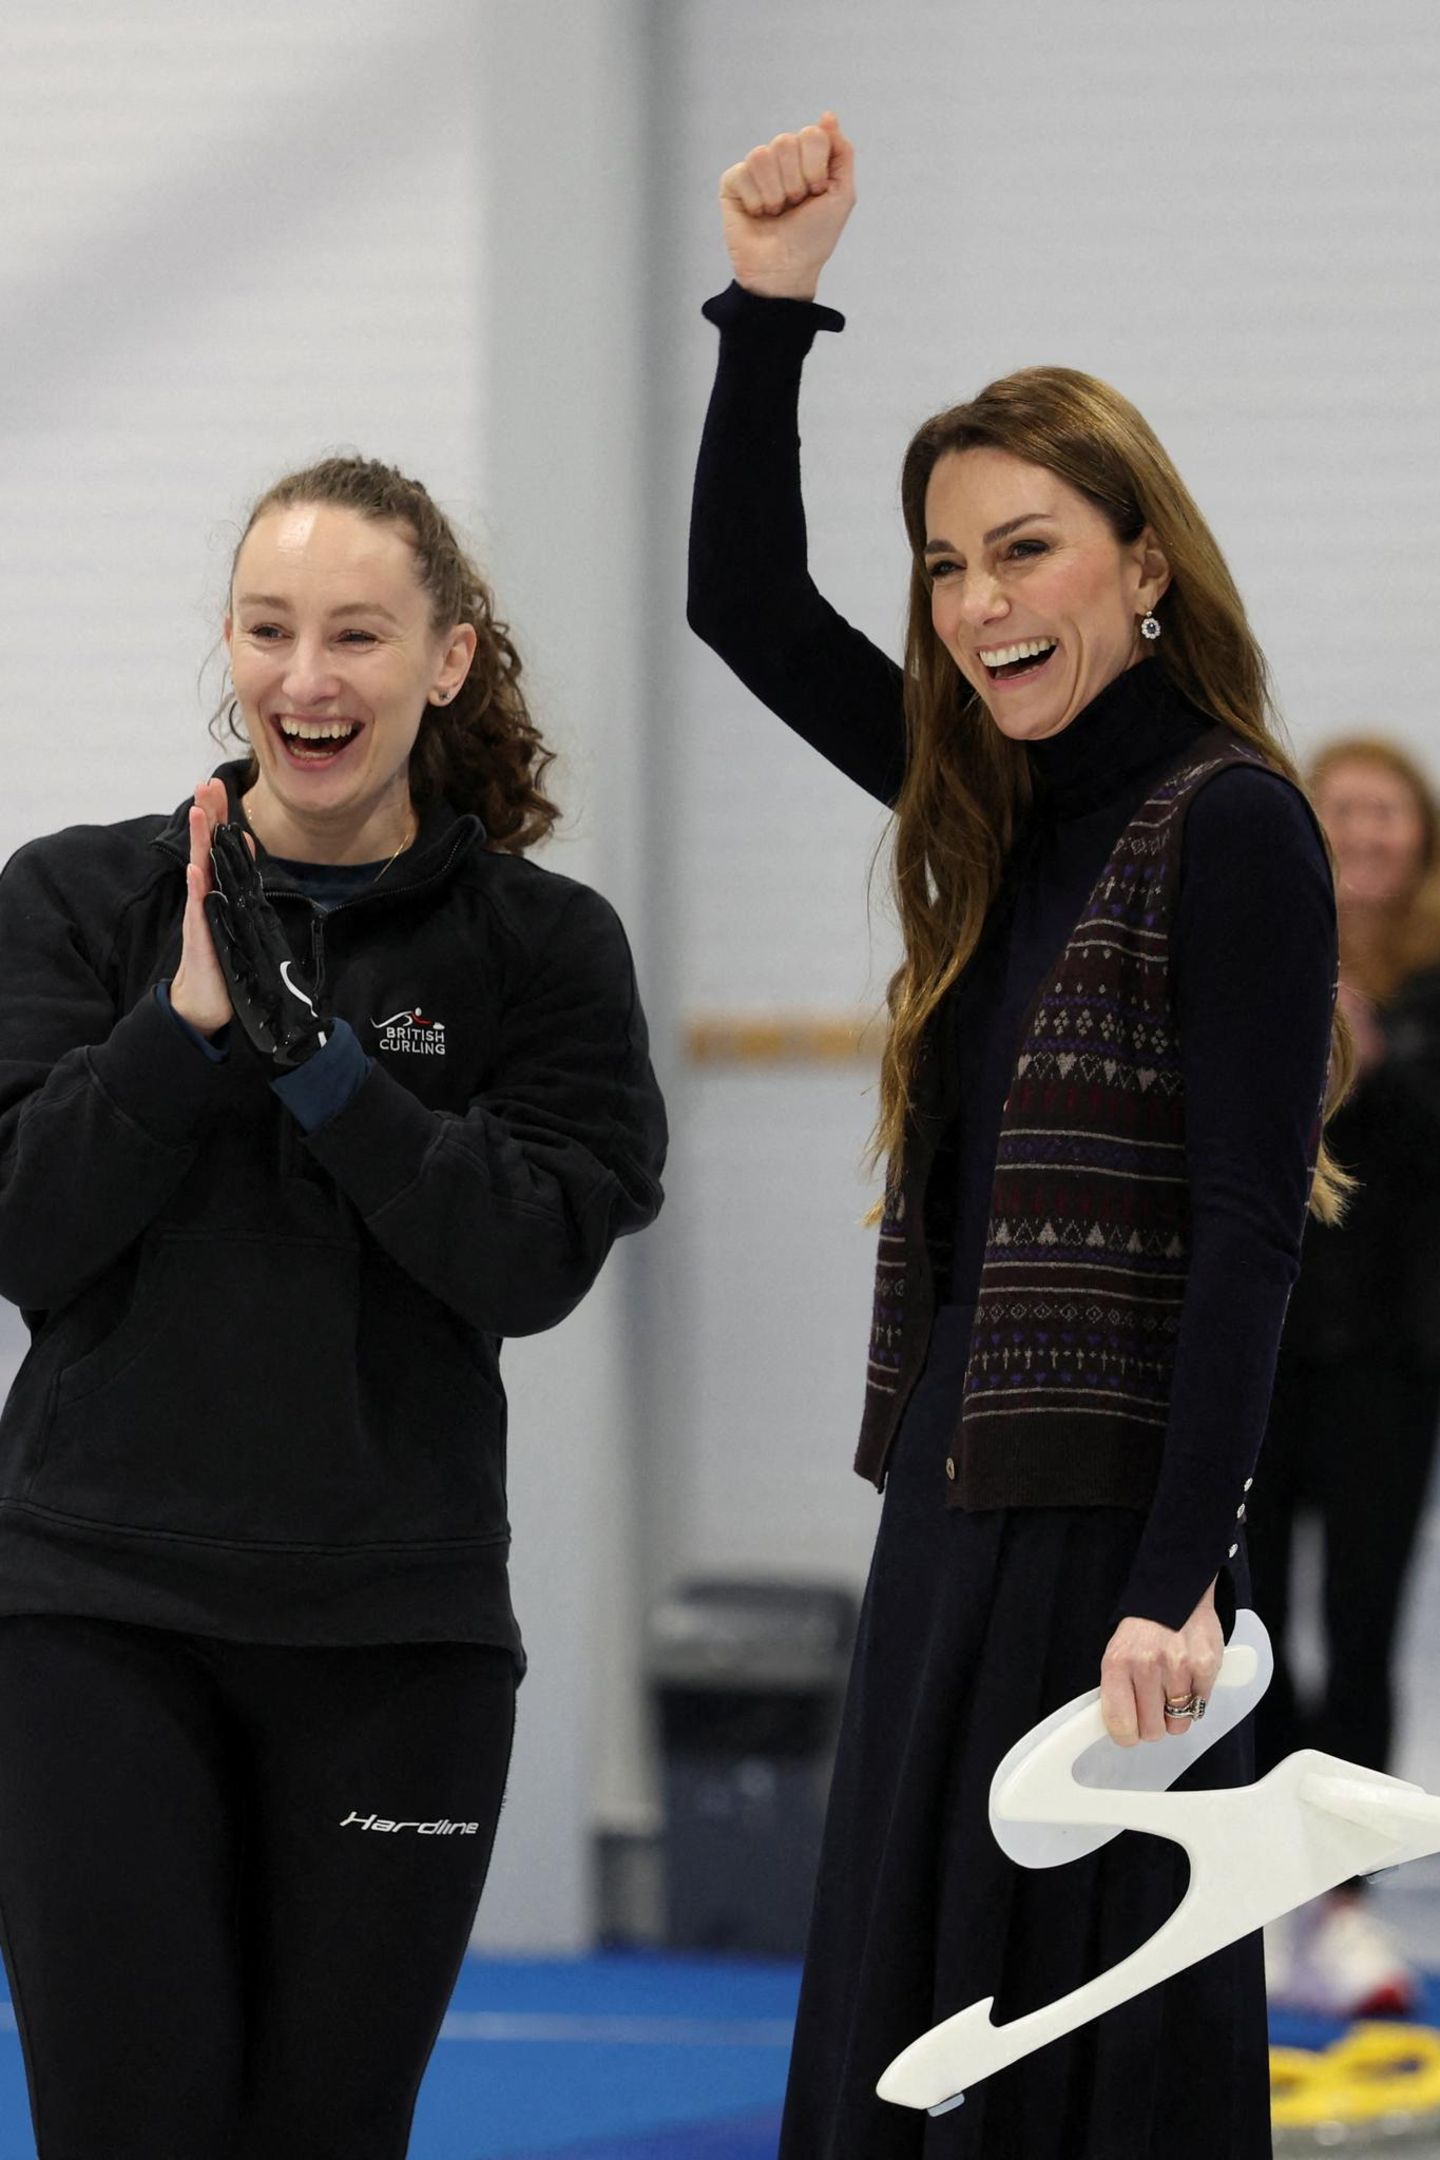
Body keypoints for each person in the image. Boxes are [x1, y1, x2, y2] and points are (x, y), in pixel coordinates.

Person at [688, 115, 1343, 2158]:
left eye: (1027, 548)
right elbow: (740, 602)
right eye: (951, 566)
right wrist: (769, 304)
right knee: (912, 2039)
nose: (979, 606)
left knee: (1076, 2067)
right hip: (955, 1502)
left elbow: (1249, 1227)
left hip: (1105, 1555)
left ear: (1144, 564)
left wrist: (1189, 1582)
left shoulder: (1229, 821)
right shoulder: (996, 812)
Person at [0, 456, 667, 2158]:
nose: (309, 678)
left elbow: (529, 1257)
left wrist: (326, 1071)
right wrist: (186, 1030)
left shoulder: (543, 947)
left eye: (358, 635)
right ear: (230, 649)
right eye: (271, 629)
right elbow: (24, 1228)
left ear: (443, 662)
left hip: (396, 1648)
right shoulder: (79, 904)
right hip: (94, 1623)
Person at [1250, 738, 1440, 2017]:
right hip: (1263, 1352)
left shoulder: (1433, 988)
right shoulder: (1266, 961)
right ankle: (1264, 1889)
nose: (1367, 834)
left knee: (1364, 1632)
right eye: (1347, 812)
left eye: (1391, 816)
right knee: (1254, 1633)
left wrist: (1377, 1070)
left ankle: (1347, 1906)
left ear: (1421, 844)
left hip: (1394, 1357)